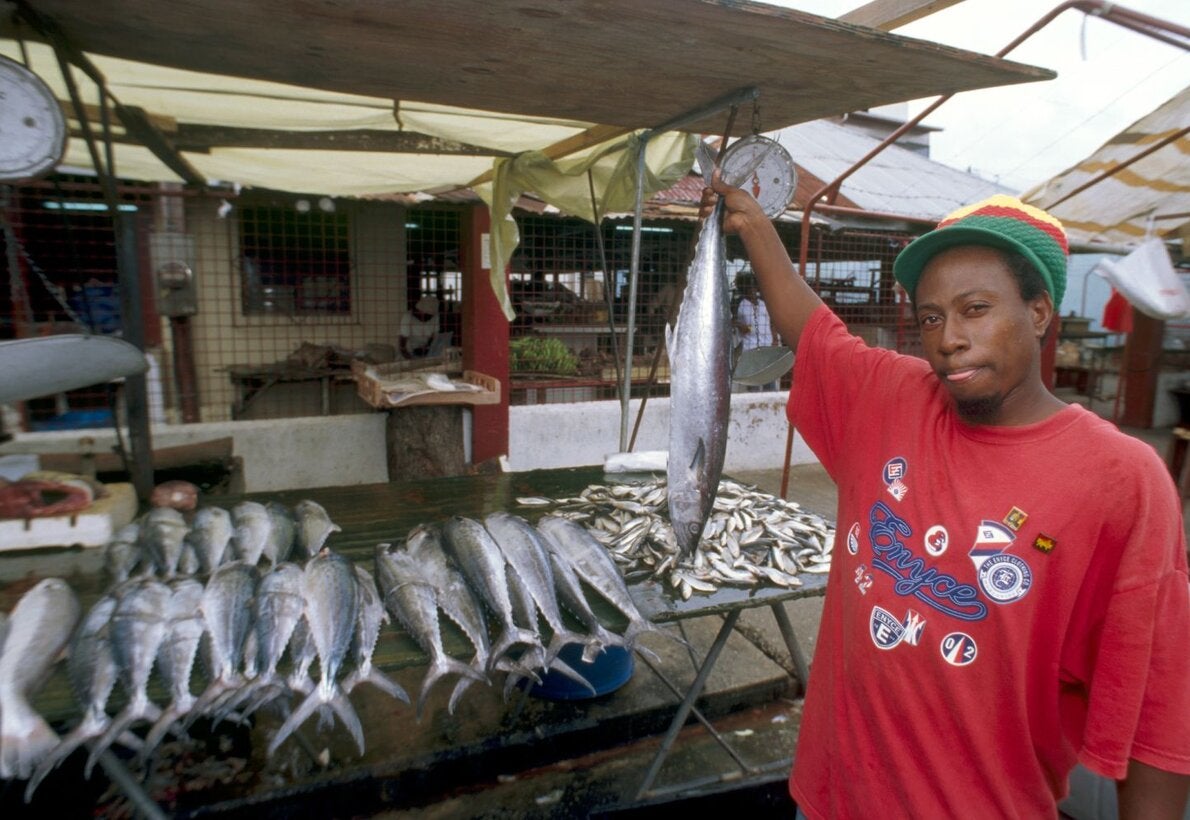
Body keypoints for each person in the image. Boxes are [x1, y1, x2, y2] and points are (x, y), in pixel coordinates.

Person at [704, 175, 1190, 820]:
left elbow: (1156, 708)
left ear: (1039, 312)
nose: (948, 338)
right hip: (832, 800)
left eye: (976, 308)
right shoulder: (892, 399)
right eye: (931, 316)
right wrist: (756, 228)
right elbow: (814, 331)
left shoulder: (1120, 477)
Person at [733, 271, 778, 391]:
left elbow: (771, 322)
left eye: (754, 287)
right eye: (749, 288)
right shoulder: (741, 305)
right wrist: (741, 326)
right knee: (754, 384)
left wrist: (775, 339)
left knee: (770, 382)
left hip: (767, 348)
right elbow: (735, 322)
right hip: (751, 350)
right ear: (744, 289)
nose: (753, 290)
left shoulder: (763, 304)